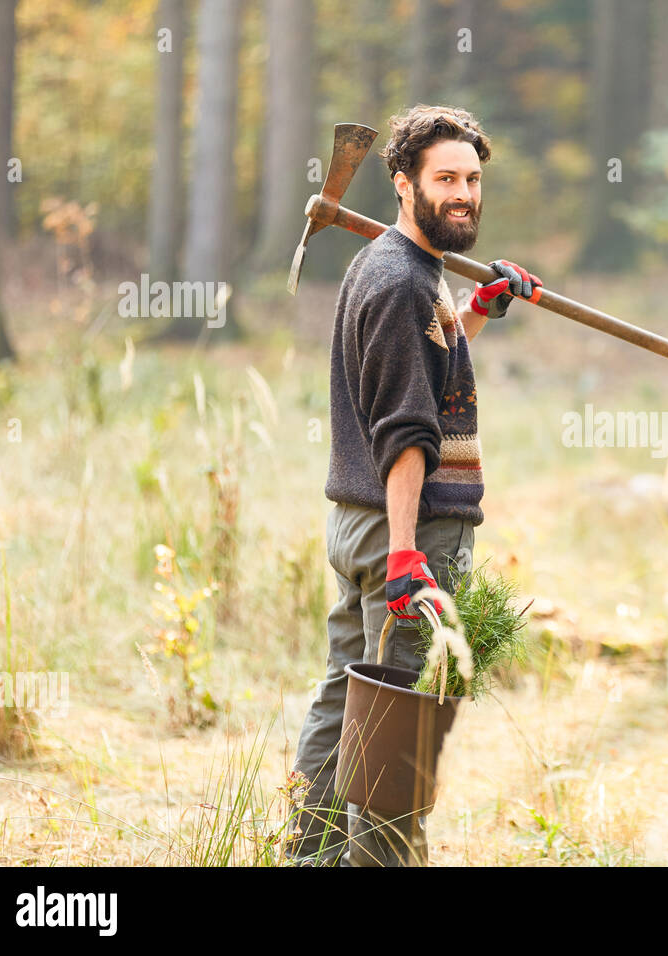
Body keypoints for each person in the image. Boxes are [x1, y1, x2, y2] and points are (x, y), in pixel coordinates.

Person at [288, 104, 542, 867]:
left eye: (471, 179)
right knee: (401, 725)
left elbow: (423, 361)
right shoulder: (401, 279)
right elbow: (407, 432)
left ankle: (312, 855)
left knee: (345, 699)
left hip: (357, 524)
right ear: (403, 184)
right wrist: (408, 557)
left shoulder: (395, 269)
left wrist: (479, 310)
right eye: (445, 179)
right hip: (407, 533)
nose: (463, 193)